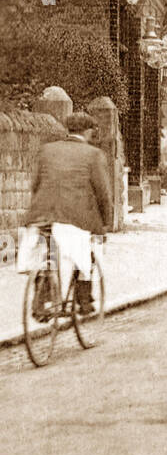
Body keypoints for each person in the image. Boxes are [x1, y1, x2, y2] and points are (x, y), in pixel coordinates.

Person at [25, 111, 112, 313]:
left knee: (48, 252)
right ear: (89, 131)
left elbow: (35, 183)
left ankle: (41, 301)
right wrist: (105, 224)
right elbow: (103, 193)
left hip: (42, 213)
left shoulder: (47, 150)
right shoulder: (94, 154)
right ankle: (83, 300)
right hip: (75, 217)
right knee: (89, 250)